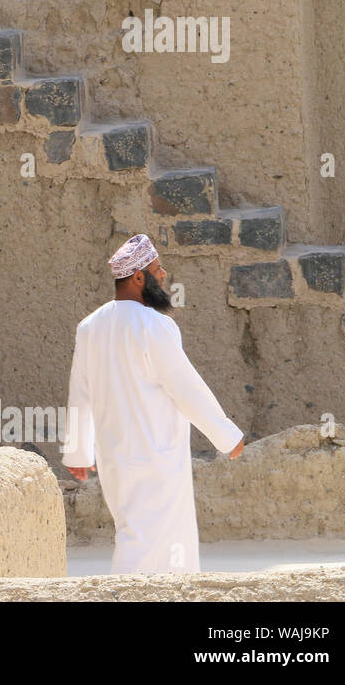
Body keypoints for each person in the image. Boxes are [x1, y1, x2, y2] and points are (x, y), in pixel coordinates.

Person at [62, 233, 245, 574]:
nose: (164, 276)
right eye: (158, 269)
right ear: (138, 278)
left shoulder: (89, 326)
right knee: (149, 539)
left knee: (141, 533)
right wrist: (226, 435)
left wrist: (78, 452)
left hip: (114, 454)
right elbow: (184, 387)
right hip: (155, 455)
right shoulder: (156, 325)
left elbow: (80, 391)